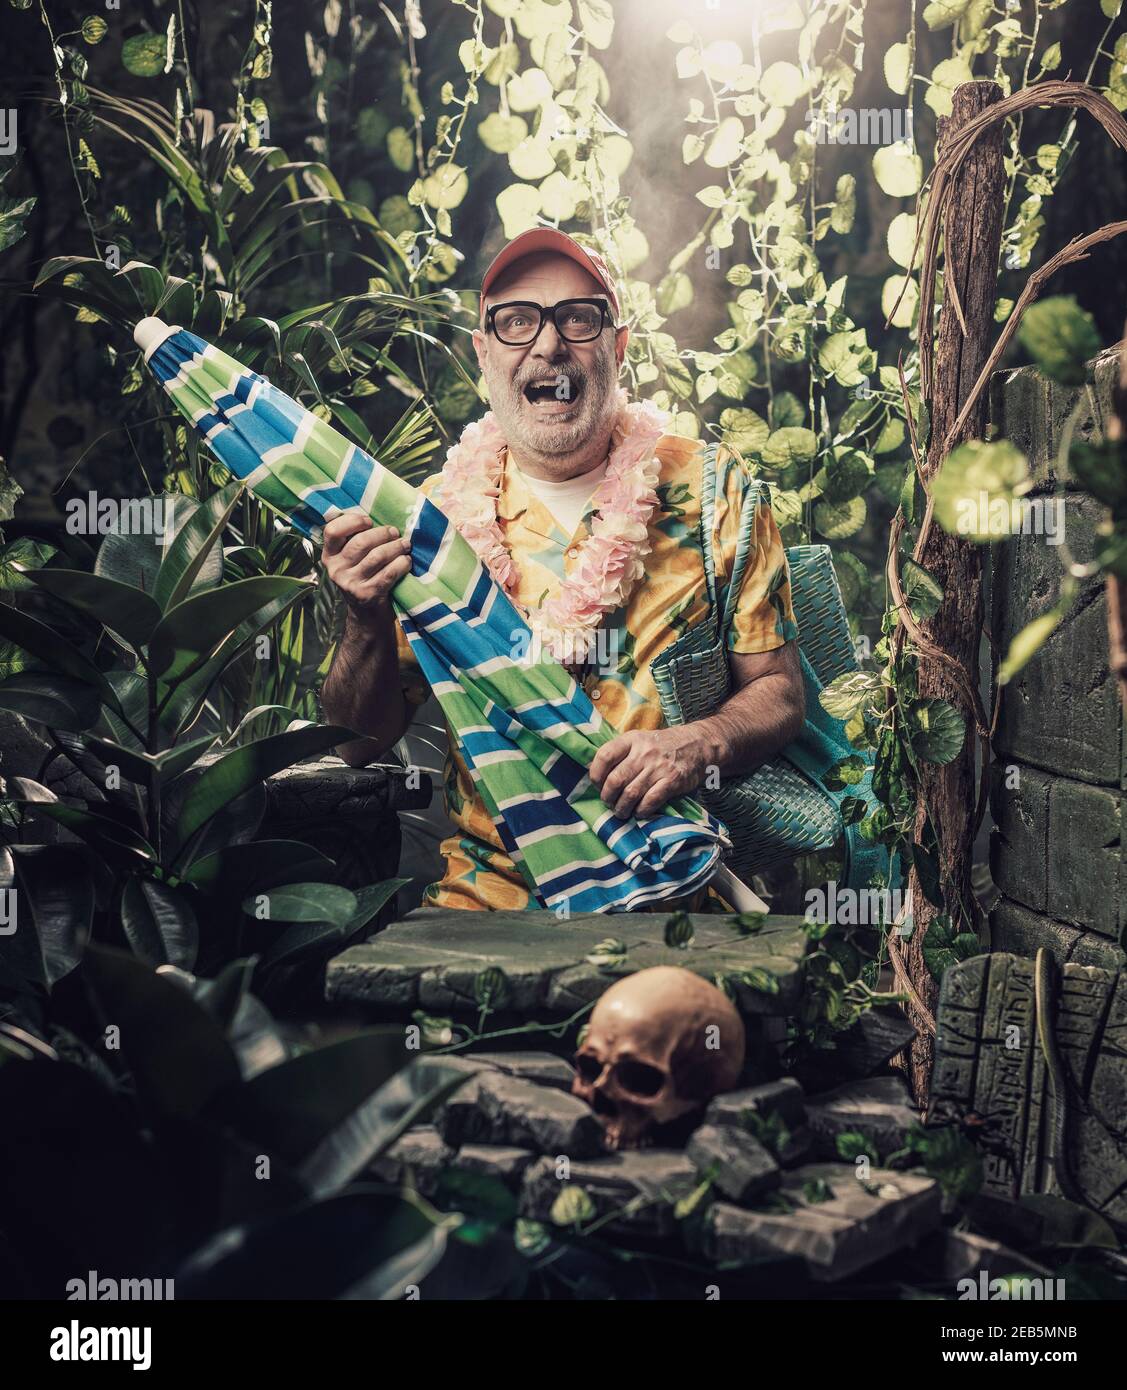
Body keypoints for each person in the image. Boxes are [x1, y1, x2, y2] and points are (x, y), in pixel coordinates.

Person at [320, 228, 805, 911]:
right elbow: (359, 744)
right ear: (483, 353)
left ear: (617, 346)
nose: (548, 345)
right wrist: (363, 617)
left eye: (577, 318)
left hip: (672, 885)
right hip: (487, 896)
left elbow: (780, 692)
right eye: (517, 322)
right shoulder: (430, 521)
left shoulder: (710, 491)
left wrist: (697, 744)